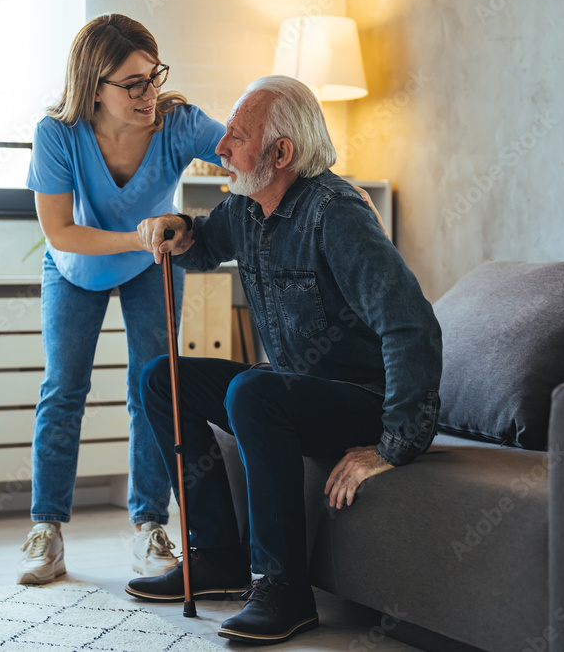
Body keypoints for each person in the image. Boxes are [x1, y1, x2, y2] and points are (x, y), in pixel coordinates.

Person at [125, 75, 443, 645]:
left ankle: (283, 591)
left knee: (253, 389)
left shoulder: (336, 214)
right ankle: (217, 556)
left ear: (281, 153)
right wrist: (177, 230)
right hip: (298, 387)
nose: (220, 148)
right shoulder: (247, 208)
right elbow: (203, 246)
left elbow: (411, 323)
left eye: (236, 138)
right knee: (160, 377)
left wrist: (395, 444)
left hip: (360, 400)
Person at [17, 13, 227, 585]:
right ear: (94, 86)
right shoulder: (57, 134)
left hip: (150, 265)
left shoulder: (177, 123)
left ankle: (149, 526)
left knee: (152, 390)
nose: (148, 93)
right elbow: (61, 231)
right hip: (75, 266)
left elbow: (243, 150)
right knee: (63, 390)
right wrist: (138, 234)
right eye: (132, 84)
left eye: (153, 76)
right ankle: (47, 530)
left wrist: (311, 174)